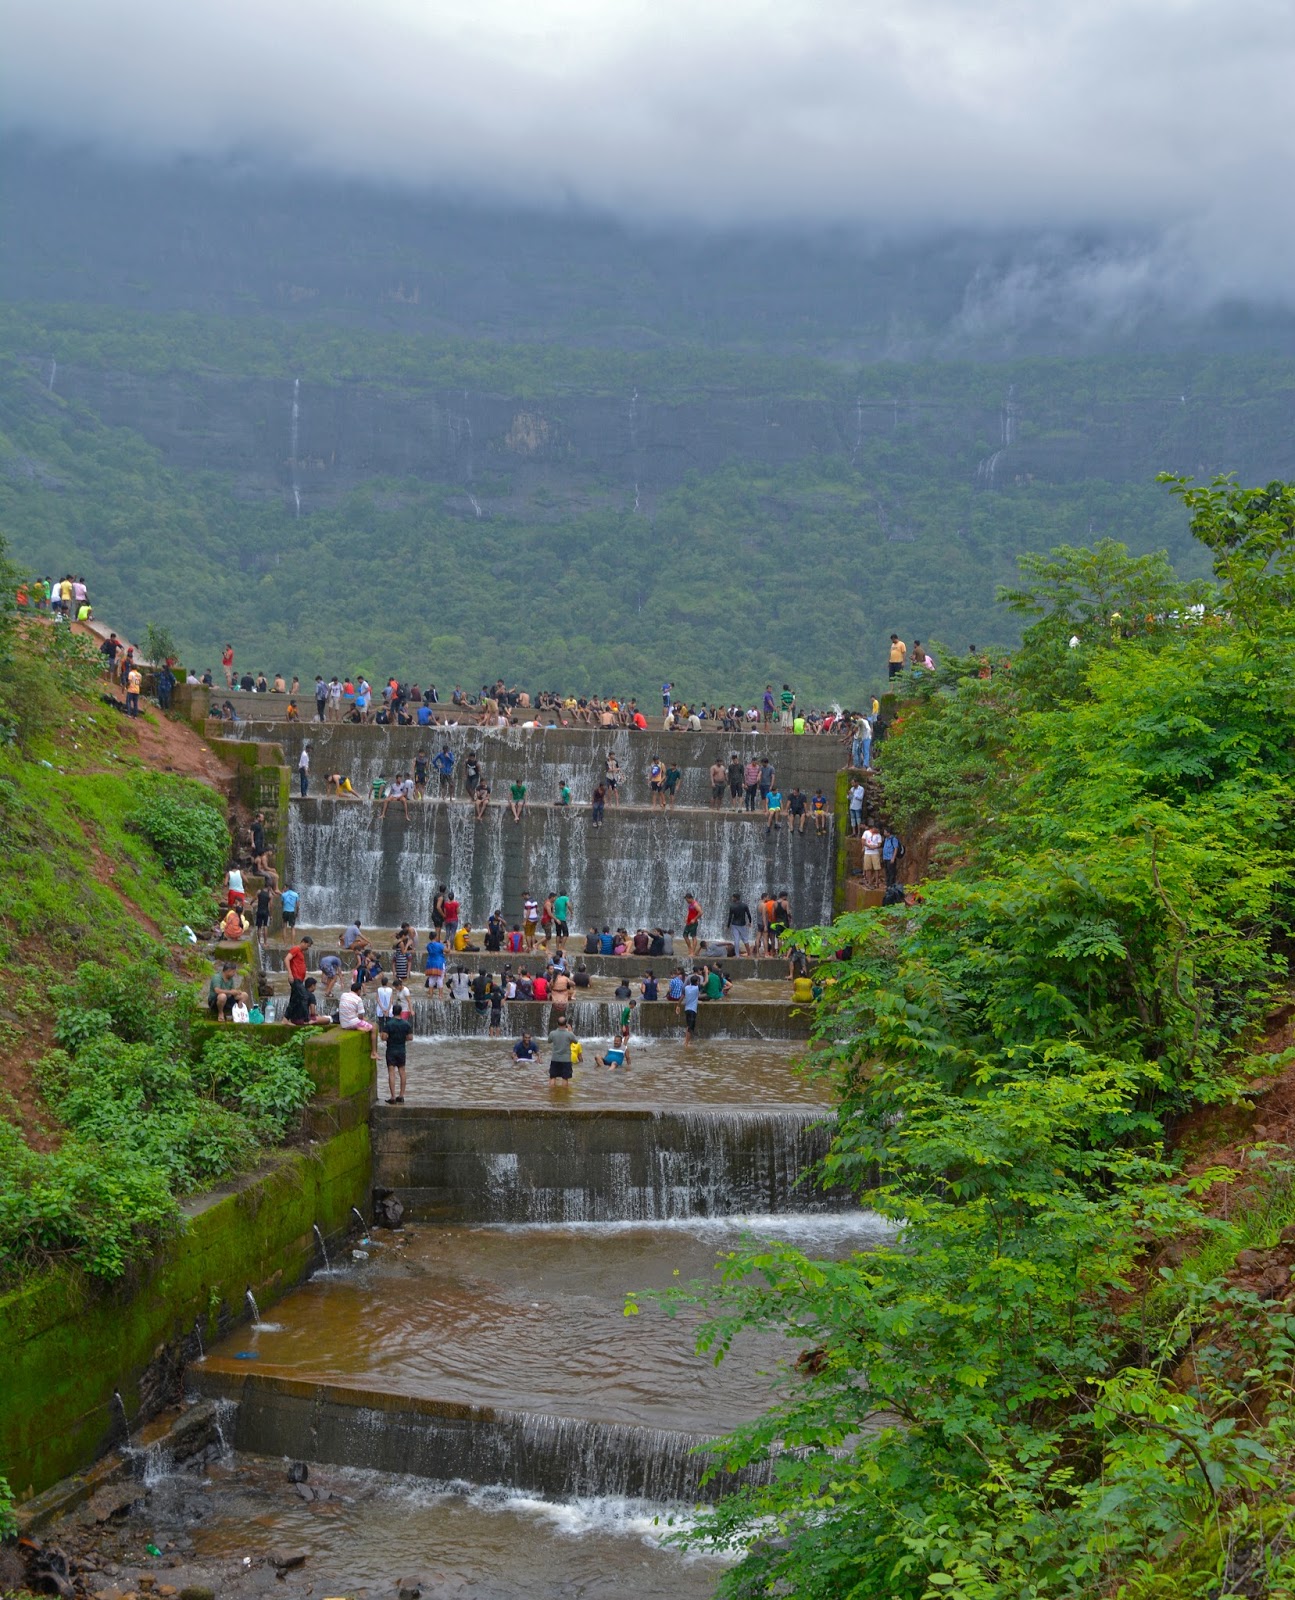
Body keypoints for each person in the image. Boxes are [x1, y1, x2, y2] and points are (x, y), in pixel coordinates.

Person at [548, 1020, 578, 1085]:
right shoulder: (569, 1034)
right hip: (566, 1060)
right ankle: (564, 1094)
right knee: (565, 1078)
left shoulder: (552, 1033)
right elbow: (576, 1041)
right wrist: (570, 1031)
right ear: (566, 1024)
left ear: (557, 1023)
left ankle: (551, 1093)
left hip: (555, 1059)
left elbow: (549, 1041)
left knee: (552, 1077)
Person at [682, 972, 700, 1045]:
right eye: (698, 981)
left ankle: (686, 1040)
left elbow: (682, 996)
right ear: (696, 982)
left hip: (687, 1009)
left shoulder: (686, 987)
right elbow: (705, 982)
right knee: (690, 1027)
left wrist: (678, 1005)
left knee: (688, 1025)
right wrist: (705, 971)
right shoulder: (697, 988)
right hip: (693, 1010)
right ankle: (686, 1043)